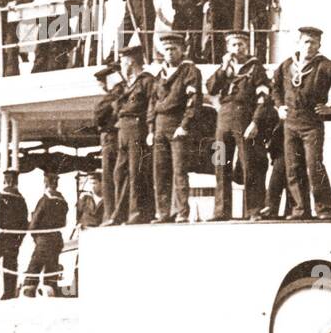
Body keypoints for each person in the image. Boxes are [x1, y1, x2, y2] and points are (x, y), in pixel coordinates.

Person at [274, 26, 331, 219]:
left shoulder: (325, 65)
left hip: (312, 123)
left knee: (314, 165)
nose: (309, 46)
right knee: (293, 167)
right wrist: (279, 106)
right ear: (299, 43)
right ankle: (300, 209)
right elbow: (274, 87)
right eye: (306, 42)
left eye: (314, 42)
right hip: (290, 122)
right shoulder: (286, 65)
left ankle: (325, 209)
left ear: (319, 45)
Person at [207, 31, 271, 220]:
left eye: (241, 45)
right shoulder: (225, 69)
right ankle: (221, 211)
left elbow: (263, 97)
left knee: (249, 164)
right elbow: (211, 88)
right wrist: (223, 69)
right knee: (220, 163)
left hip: (244, 117)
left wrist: (255, 122)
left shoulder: (255, 68)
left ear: (246, 47)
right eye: (234, 45)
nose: (237, 49)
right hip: (223, 119)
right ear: (228, 48)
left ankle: (253, 210)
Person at [149, 30, 203, 224]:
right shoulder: (159, 75)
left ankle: (182, 212)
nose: (170, 52)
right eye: (167, 49)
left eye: (174, 49)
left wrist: (185, 125)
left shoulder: (189, 71)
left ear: (182, 50)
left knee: (179, 171)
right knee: (160, 172)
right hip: (159, 126)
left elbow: (193, 100)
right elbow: (152, 102)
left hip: (177, 125)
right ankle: (162, 213)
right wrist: (150, 129)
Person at [108, 45, 155, 225]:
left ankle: (136, 213)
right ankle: (119, 213)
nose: (121, 64)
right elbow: (116, 108)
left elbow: (151, 105)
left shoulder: (146, 81)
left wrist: (150, 130)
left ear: (131, 61)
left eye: (123, 60)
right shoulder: (126, 84)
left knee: (136, 173)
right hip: (124, 129)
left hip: (137, 127)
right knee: (119, 173)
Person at [23, 171, 69, 296]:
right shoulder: (63, 202)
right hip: (57, 239)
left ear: (45, 183)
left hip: (43, 240)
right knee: (52, 270)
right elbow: (64, 222)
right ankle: (51, 293)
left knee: (33, 269)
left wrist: (36, 237)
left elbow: (34, 223)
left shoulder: (44, 200)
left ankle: (28, 295)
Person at [0, 168, 29, 299]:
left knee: (0, 264)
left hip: (3, 237)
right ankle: (8, 293)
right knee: (10, 265)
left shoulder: (0, 198)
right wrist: (19, 239)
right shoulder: (20, 200)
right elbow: (24, 222)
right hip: (10, 238)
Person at [29, 0, 72, 72]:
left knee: (56, 49)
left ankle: (56, 72)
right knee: (41, 49)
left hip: (59, 21)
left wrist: (47, 1)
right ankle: (38, 76)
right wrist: (15, 3)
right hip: (44, 21)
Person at [94, 62, 123, 222]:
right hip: (112, 137)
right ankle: (112, 213)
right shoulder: (115, 94)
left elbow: (98, 114)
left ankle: (111, 214)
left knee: (110, 178)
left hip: (112, 139)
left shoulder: (115, 94)